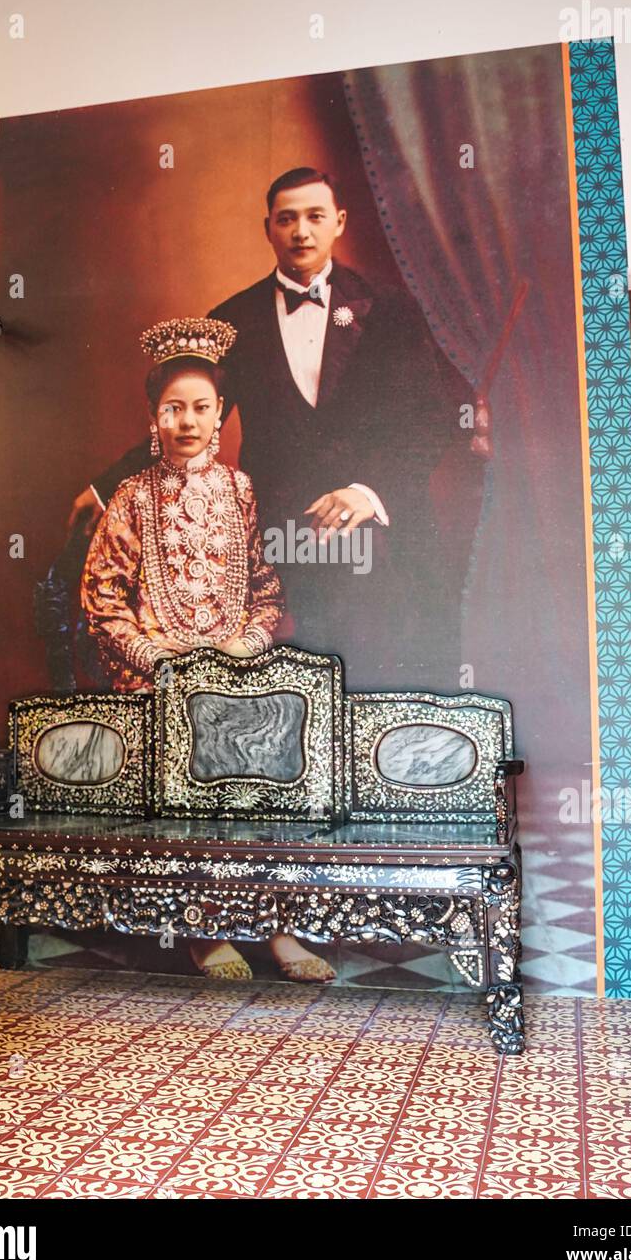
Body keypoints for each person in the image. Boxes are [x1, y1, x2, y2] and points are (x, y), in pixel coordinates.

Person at [71, 167, 479, 687]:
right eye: (287, 219)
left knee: (388, 678)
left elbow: (431, 420)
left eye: (315, 217)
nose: (301, 232)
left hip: (383, 536)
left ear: (340, 222)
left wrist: (366, 491)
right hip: (284, 541)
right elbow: (187, 418)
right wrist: (105, 488)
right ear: (268, 228)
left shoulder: (390, 310)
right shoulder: (233, 321)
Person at [81, 316, 335, 983]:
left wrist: (246, 644)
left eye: (200, 407)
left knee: (278, 755)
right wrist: (161, 660)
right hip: (158, 680)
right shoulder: (132, 499)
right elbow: (102, 601)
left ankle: (277, 926)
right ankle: (201, 928)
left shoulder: (240, 490)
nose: (187, 421)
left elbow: (264, 586)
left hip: (237, 669)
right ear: (154, 417)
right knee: (196, 758)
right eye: (174, 409)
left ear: (220, 413)